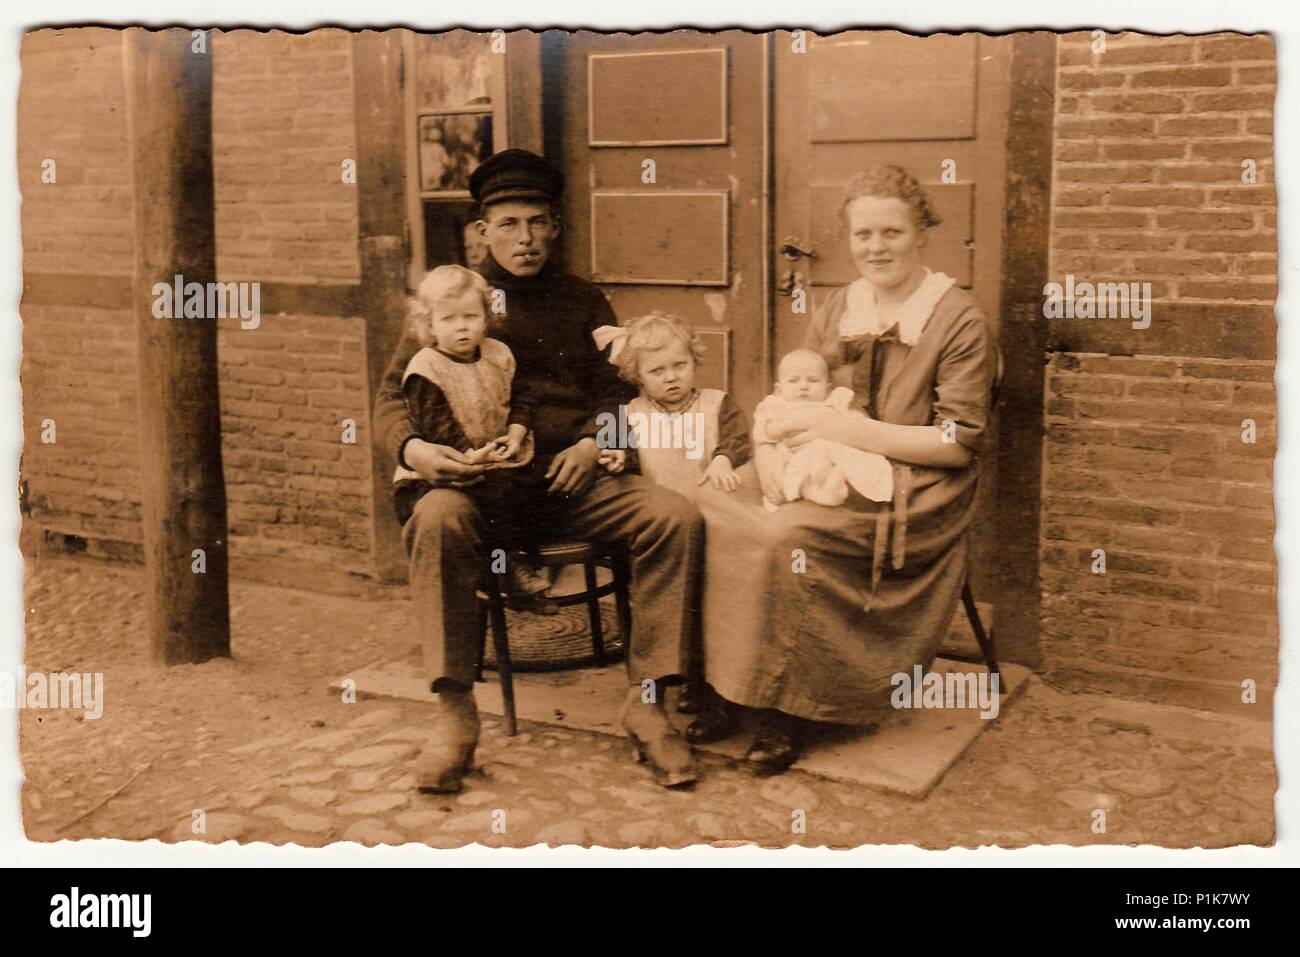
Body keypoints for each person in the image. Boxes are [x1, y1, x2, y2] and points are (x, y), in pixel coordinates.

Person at [373, 149, 704, 793]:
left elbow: (619, 389)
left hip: (569, 481)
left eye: (537, 222)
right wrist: (416, 452)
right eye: (508, 224)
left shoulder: (584, 301)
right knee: (436, 518)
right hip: (479, 485)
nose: (524, 238)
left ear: (554, 226)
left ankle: (648, 701)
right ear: (483, 230)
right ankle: (455, 715)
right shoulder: (454, 298)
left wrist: (592, 443)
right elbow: (393, 396)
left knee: (675, 518)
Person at [689, 163, 998, 775]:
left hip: (916, 484)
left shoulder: (957, 317)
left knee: (785, 534)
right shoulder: (838, 309)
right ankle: (726, 688)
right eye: (863, 235)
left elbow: (959, 444)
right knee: (707, 505)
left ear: (921, 234)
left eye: (892, 233)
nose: (876, 248)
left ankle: (789, 707)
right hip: (826, 461)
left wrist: (855, 433)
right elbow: (808, 397)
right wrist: (782, 443)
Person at [591, 311, 752, 728]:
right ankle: (679, 679)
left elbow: (740, 442)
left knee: (717, 608)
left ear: (695, 362)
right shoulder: (628, 413)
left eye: (679, 365)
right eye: (656, 370)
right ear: (639, 376)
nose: (671, 377)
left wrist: (722, 457)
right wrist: (614, 459)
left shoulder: (718, 404)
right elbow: (618, 457)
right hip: (662, 535)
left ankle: (715, 686)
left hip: (718, 531)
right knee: (672, 606)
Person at [391, 263, 546, 599]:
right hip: (443, 469)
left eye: (470, 317)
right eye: (448, 319)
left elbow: (522, 397)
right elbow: (438, 426)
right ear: (428, 323)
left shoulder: (498, 354)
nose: (461, 327)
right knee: (492, 497)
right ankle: (507, 572)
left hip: (491, 458)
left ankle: (514, 566)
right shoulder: (426, 368)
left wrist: (516, 434)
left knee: (529, 487)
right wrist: (472, 456)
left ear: (486, 318)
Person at [752, 349, 893, 509]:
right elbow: (763, 432)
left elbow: (855, 419)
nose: (803, 386)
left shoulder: (833, 402)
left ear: (827, 388)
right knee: (796, 468)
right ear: (779, 389)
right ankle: (818, 492)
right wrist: (779, 429)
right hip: (793, 451)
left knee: (847, 459)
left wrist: (855, 419)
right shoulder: (777, 405)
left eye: (813, 380)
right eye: (793, 381)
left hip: (828, 447)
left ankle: (833, 482)